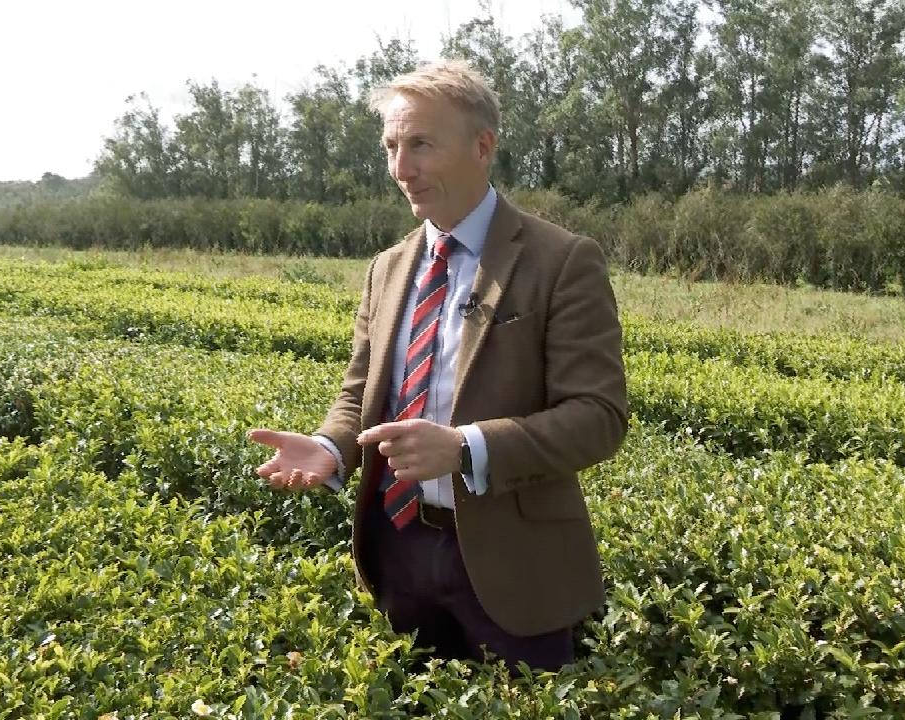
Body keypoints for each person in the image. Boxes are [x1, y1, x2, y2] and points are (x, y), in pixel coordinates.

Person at [247, 59, 627, 673]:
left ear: (483, 147)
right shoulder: (388, 268)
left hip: (514, 562)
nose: (401, 170)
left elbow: (598, 416)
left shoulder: (561, 261)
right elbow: (361, 394)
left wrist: (467, 448)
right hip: (397, 551)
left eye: (420, 144)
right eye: (392, 147)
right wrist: (332, 446)